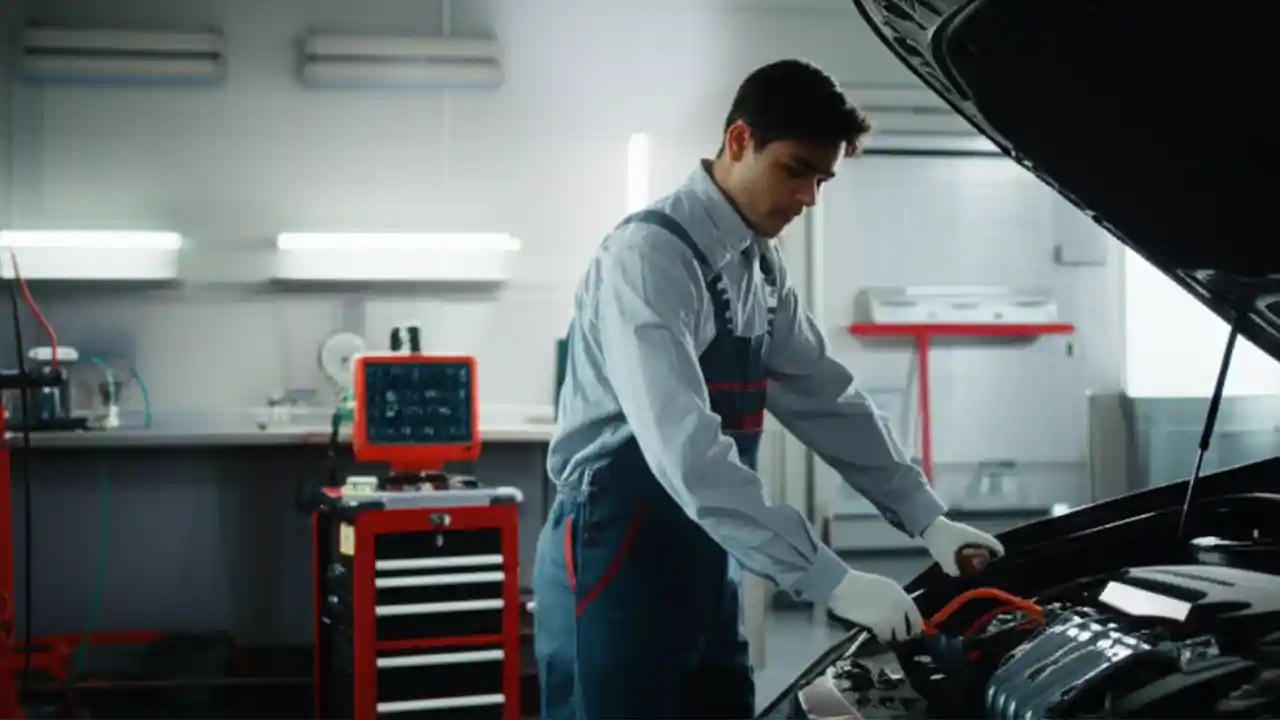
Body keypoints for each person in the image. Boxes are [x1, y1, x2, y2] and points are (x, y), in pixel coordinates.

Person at [533, 58, 1005, 719]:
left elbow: (826, 398)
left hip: (706, 556)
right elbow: (686, 452)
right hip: (615, 560)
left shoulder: (758, 266)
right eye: (796, 169)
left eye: (822, 178)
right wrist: (830, 579)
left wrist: (925, 515)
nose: (809, 197)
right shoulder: (648, 259)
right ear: (738, 142)